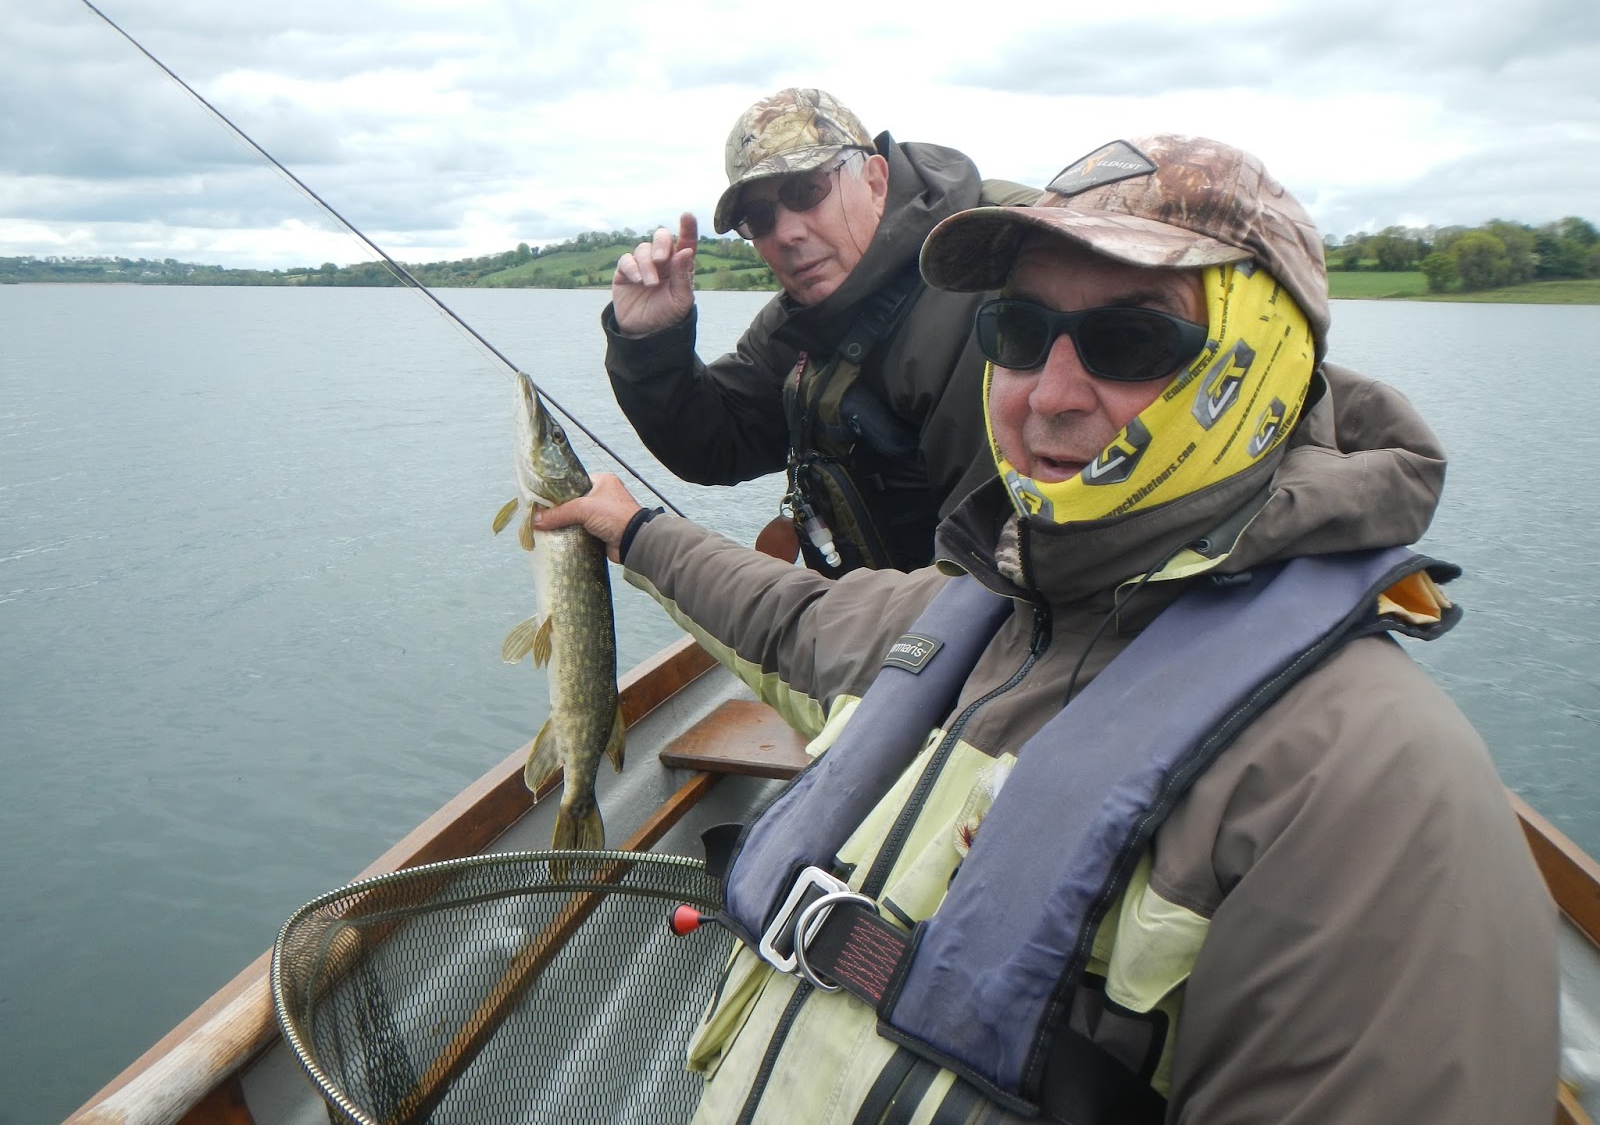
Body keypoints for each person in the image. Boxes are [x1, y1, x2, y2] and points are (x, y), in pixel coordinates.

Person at [539, 134, 1559, 1123]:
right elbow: (790, 613)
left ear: (1261, 364)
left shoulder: (1370, 782)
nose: (1049, 397)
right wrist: (630, 530)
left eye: (1129, 342)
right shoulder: (992, 610)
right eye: (1018, 335)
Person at [603, 87, 1039, 575]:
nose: (787, 233)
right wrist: (651, 342)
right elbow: (716, 444)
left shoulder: (985, 295)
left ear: (875, 181)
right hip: (875, 620)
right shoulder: (803, 315)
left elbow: (980, 580)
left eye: (806, 192)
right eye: (760, 218)